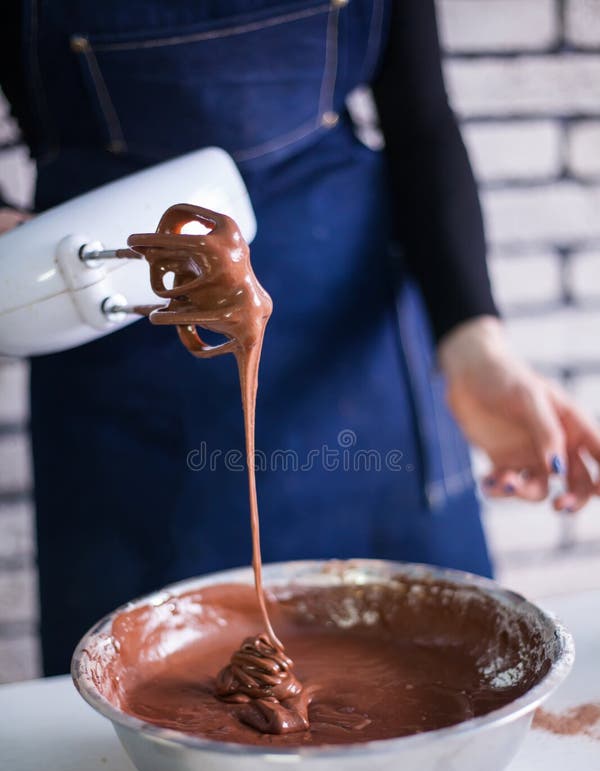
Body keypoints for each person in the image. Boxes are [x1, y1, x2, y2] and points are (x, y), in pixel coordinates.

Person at [1, 0, 599, 676]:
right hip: (117, 319)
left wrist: (475, 345)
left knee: (438, 664)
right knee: (135, 677)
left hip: (351, 327)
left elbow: (421, 119)